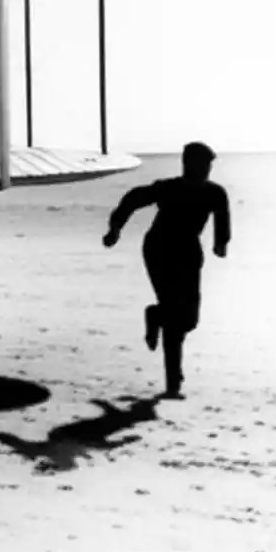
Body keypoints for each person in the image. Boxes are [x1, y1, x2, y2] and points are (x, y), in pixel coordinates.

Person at [102, 142, 231, 399]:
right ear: (187, 164)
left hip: (189, 254)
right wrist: (116, 227)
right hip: (160, 250)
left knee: (189, 319)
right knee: (174, 315)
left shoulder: (215, 192)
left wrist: (221, 243)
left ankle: (156, 315)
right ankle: (173, 382)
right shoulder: (169, 188)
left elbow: (222, 218)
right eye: (202, 164)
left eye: (209, 165)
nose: (206, 169)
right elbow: (134, 198)